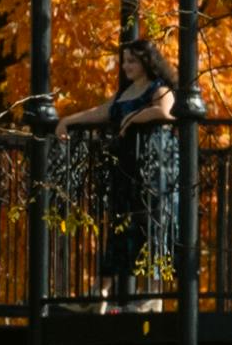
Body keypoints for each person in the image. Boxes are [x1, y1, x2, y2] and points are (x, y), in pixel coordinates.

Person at [73, 67, 179, 302]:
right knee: (120, 227)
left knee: (153, 226)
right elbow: (104, 111)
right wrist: (69, 120)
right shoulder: (127, 91)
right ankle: (100, 292)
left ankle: (152, 294)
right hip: (126, 169)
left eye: (133, 60)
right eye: (126, 60)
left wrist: (133, 117)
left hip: (156, 169)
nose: (127, 65)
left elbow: (167, 111)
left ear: (147, 61)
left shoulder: (158, 87)